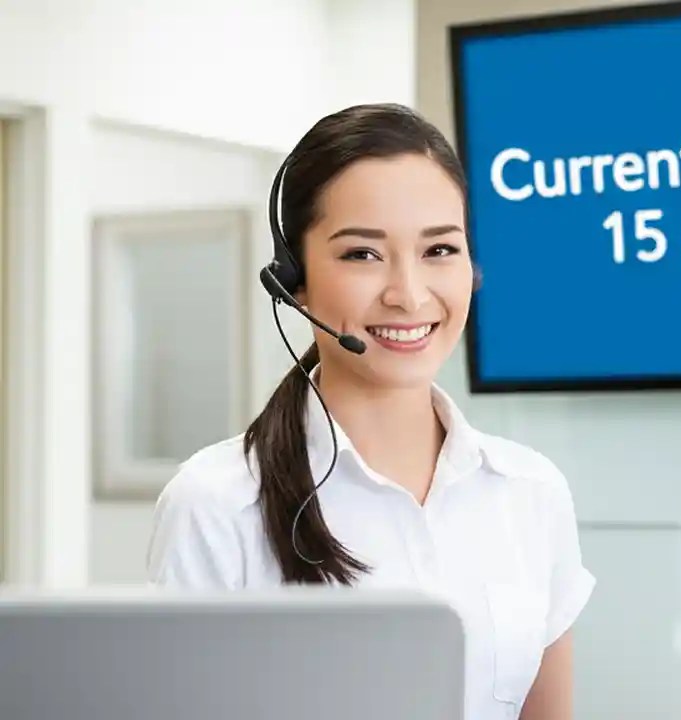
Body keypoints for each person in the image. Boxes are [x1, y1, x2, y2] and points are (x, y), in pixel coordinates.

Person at [145, 103, 595, 720]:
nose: (408, 295)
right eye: (363, 255)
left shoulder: (532, 491)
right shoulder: (218, 503)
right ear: (293, 280)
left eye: (439, 249)